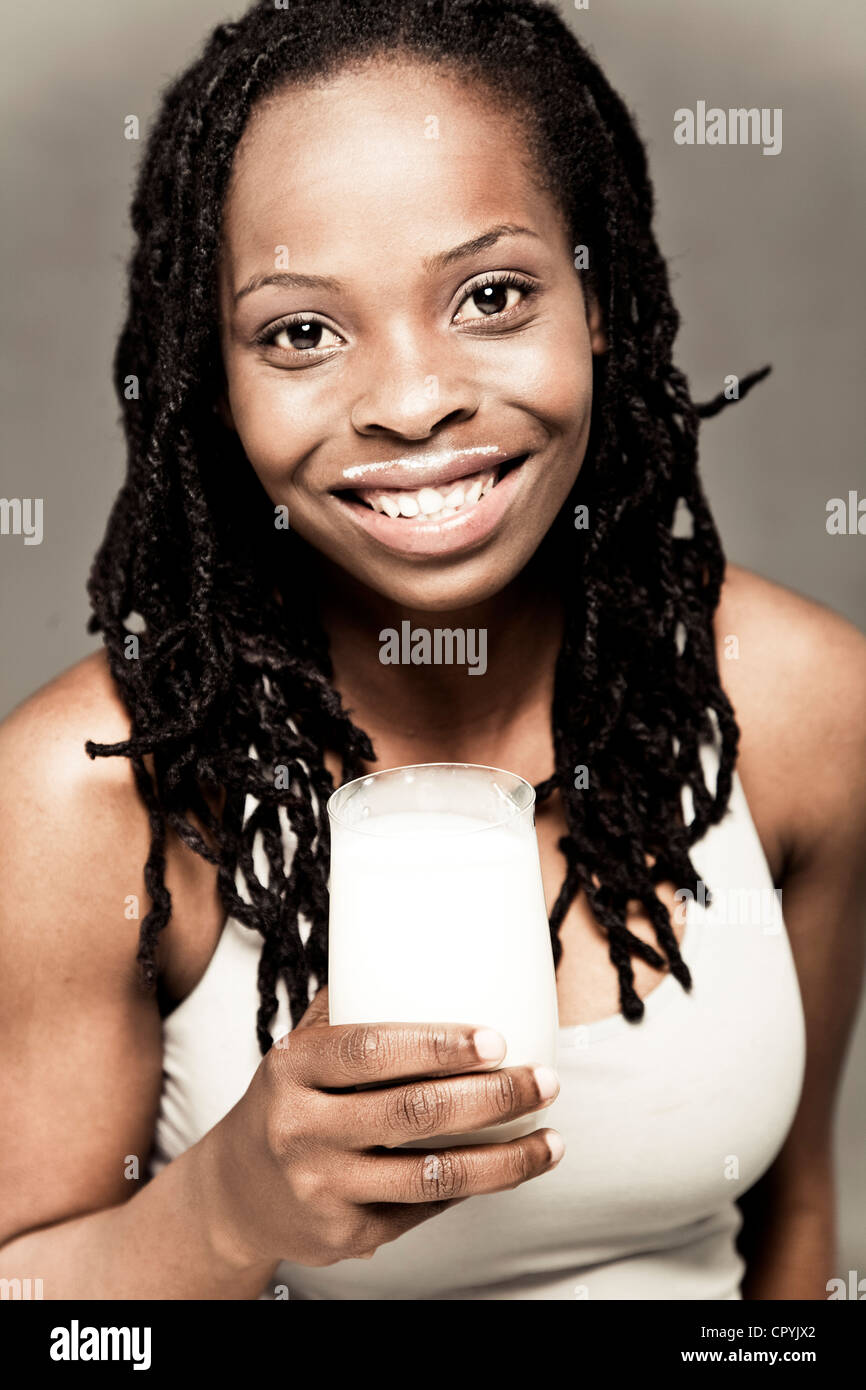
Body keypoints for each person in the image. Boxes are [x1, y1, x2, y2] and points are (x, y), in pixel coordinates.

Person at [1, 0, 864, 1301]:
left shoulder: (799, 704)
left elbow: (793, 1225)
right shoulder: (84, 799)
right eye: (300, 331)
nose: (411, 403)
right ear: (215, 380)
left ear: (601, 302)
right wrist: (230, 1203)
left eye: (491, 295)